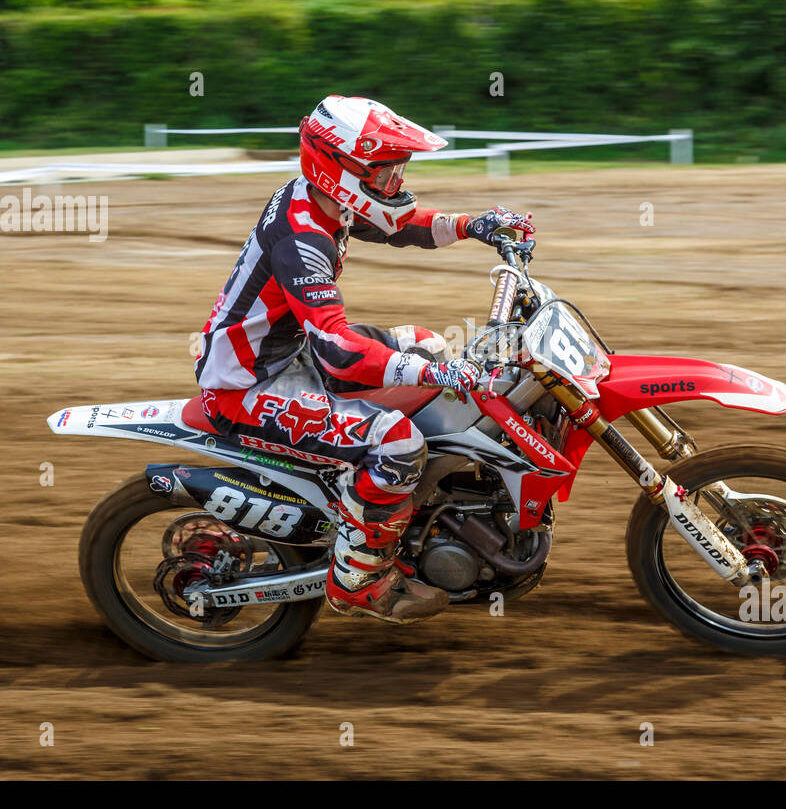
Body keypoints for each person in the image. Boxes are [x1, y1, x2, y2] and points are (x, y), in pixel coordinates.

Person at [195, 95, 535, 624]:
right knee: (399, 441)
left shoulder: (325, 201)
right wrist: (440, 375)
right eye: (385, 171)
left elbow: (405, 226)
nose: (395, 182)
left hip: (290, 353)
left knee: (429, 343)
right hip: (249, 385)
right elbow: (341, 350)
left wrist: (476, 224)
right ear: (340, 167)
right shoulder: (302, 237)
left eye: (398, 169)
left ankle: (400, 507)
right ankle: (359, 580)